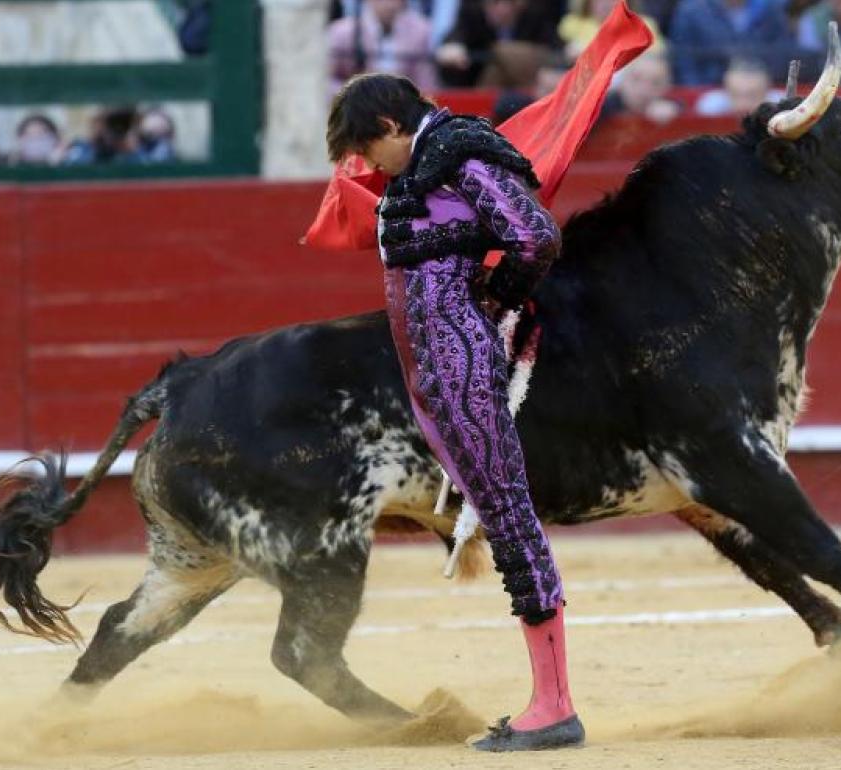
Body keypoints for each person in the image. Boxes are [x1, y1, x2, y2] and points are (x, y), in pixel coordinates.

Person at [325, 73, 583, 752]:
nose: (366, 164)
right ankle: (550, 700)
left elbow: (533, 236)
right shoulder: (430, 164)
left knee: (507, 514)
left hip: (462, 364)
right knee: (503, 513)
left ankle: (554, 706)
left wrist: (495, 299)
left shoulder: (460, 153)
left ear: (387, 125)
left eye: (364, 147)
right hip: (438, 373)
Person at [435, 0, 562, 88]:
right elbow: (456, 37)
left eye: (510, 2)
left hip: (524, 92)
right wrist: (452, 46)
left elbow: (556, 46)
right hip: (480, 88)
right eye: (495, 1)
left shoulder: (533, 15)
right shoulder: (472, 13)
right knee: (497, 65)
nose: (502, 8)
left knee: (502, 54)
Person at [668, 0, 794, 85]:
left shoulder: (771, 9)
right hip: (709, 91)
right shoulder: (691, 11)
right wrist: (697, 94)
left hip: (762, 89)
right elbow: (683, 60)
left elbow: (783, 52)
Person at [328, 0, 437, 90]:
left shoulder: (421, 30)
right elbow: (324, 80)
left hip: (403, 108)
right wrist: (352, 93)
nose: (390, 4)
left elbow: (426, 85)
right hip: (353, 107)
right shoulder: (342, 31)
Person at [600, 51, 682, 123]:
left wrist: (675, 108)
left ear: (666, 87)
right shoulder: (602, 106)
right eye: (636, 79)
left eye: (655, 83)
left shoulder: (669, 105)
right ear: (623, 80)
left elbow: (684, 105)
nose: (644, 90)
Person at [693, 56, 783, 115]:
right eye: (735, 95)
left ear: (767, 91)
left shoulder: (782, 106)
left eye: (752, 96)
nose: (743, 106)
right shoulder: (710, 107)